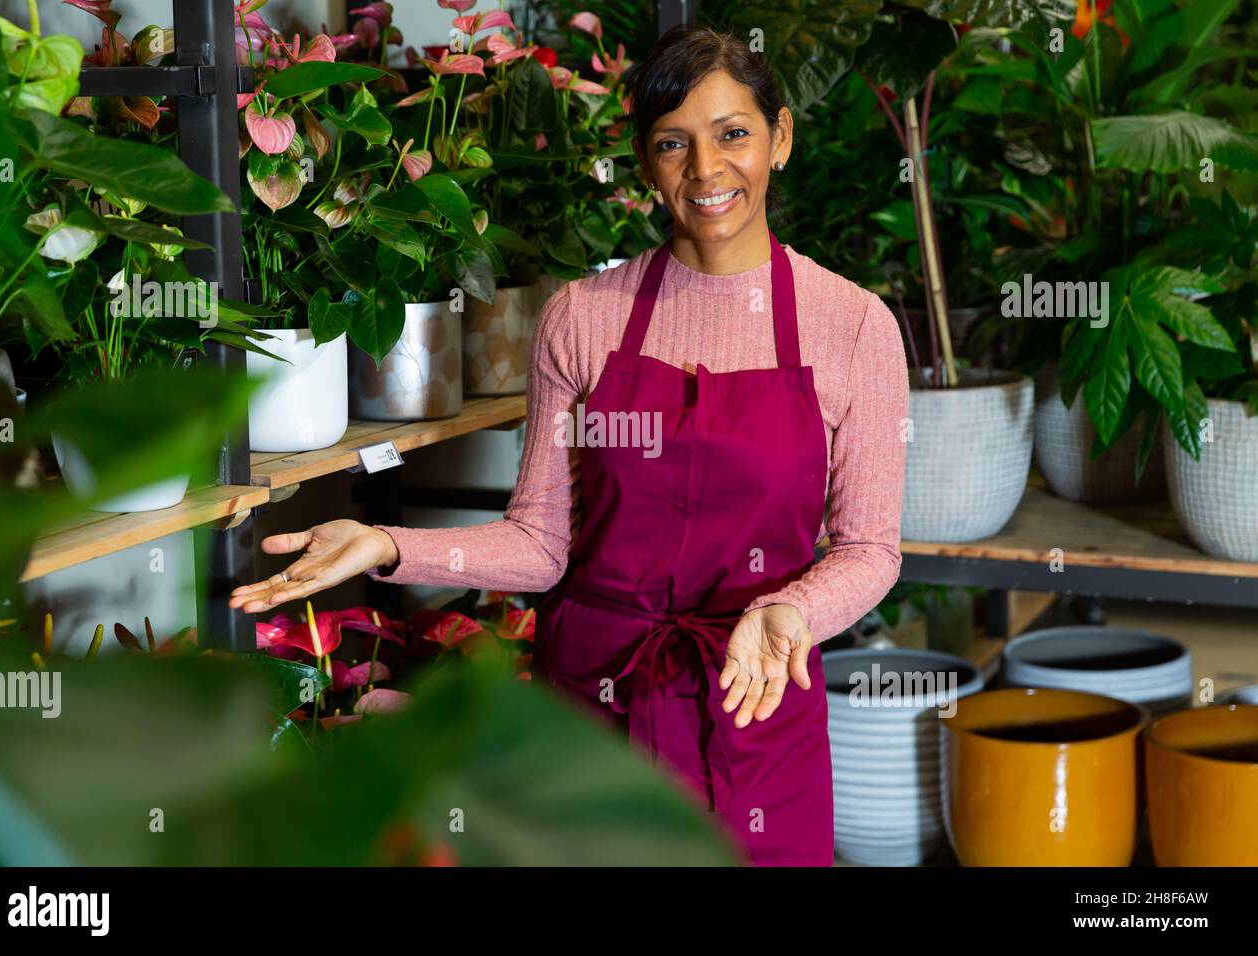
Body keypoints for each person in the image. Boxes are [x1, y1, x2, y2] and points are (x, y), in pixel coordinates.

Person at [230, 24, 909, 866]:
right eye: (674, 144)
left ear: (781, 138)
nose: (706, 170)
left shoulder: (852, 326)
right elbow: (541, 544)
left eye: (733, 133)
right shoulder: (583, 318)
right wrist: (384, 543)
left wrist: (791, 612)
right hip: (595, 707)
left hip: (754, 701)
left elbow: (872, 547)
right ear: (645, 160)